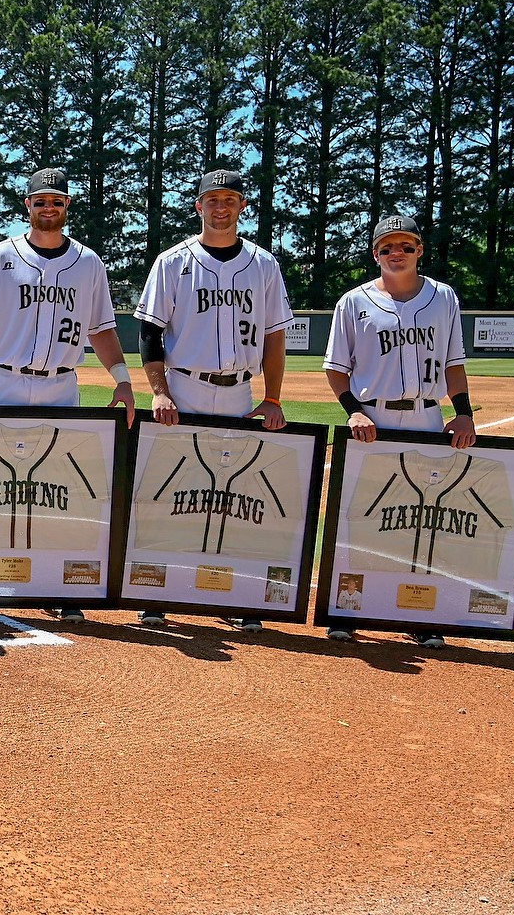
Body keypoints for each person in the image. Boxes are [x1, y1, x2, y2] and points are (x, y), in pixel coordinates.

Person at [0, 167, 135, 624]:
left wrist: (121, 377)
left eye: (56, 200)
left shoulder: (89, 263)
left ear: (67, 206)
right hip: (4, 384)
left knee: (59, 490)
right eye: (41, 201)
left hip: (61, 385)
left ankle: (57, 584)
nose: (48, 208)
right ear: (27, 206)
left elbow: (102, 330)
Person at [133, 168, 293, 631]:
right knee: (169, 491)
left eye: (230, 199)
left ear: (242, 206)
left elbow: (274, 335)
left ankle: (237, 593)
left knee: (235, 495)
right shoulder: (171, 261)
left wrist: (274, 397)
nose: (221, 207)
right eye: (212, 200)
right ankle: (156, 590)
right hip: (185, 386)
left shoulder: (263, 265)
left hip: (239, 391)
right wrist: (160, 393)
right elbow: (149, 331)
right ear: (198, 206)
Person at [323, 214, 476, 649]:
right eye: (388, 247)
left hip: (427, 419)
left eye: (406, 246)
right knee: (363, 517)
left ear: (419, 251)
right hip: (374, 419)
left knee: (419, 519)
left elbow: (453, 362)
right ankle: (347, 606)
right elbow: (336, 370)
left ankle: (418, 611)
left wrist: (462, 412)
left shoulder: (443, 297)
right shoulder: (353, 302)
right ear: (376, 254)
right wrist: (354, 411)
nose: (397, 253)